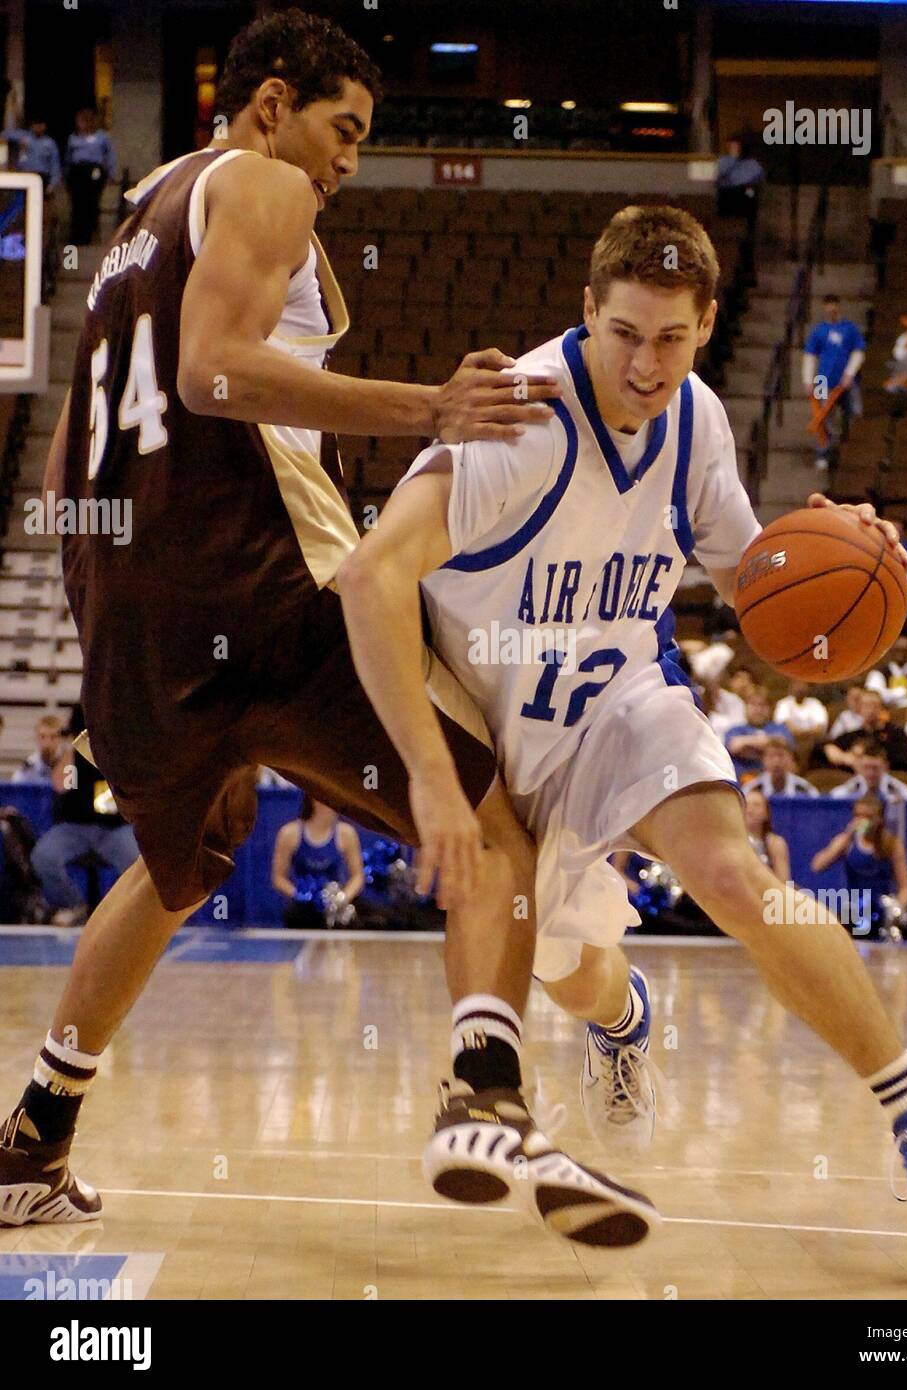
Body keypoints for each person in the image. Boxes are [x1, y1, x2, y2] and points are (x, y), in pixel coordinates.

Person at [0, 11, 654, 1248]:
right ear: (268, 106)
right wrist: (429, 407)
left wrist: (124, 597)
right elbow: (212, 376)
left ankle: (30, 1142)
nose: (347, 161)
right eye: (342, 128)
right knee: (495, 814)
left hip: (131, 612)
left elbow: (59, 469)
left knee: (177, 865)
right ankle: (491, 1087)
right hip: (266, 589)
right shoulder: (261, 182)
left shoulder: (132, 223)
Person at [340, 200, 907, 1238]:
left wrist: (858, 550)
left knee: (738, 876)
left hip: (624, 705)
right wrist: (427, 771)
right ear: (587, 312)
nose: (646, 366)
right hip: (500, 740)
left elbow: (755, 582)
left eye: (671, 338)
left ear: (703, 324)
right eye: (624, 335)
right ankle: (624, 1017)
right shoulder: (520, 419)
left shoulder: (696, 415)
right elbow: (371, 572)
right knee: (576, 973)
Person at [29, 707, 140, 928]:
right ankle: (74, 905)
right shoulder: (73, 755)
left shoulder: (121, 751)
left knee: (139, 865)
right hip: (75, 828)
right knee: (43, 857)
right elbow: (61, 786)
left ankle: (124, 915)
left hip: (114, 829)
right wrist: (71, 746)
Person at [811, 794, 907, 940]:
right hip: (855, 911)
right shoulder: (846, 841)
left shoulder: (892, 845)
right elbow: (817, 865)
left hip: (881, 908)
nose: (862, 821)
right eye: (858, 816)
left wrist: (896, 912)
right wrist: (847, 836)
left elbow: (905, 887)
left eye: (868, 817)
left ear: (879, 819)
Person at [271, 795, 364, 928]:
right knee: (297, 916)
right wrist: (300, 895)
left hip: (335, 907)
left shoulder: (346, 833)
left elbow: (358, 876)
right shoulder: (289, 833)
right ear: (315, 801)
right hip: (303, 911)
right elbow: (278, 878)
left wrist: (342, 898)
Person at [802, 294, 865, 469]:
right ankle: (823, 454)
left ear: (838, 306)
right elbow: (810, 355)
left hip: (846, 381)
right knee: (822, 418)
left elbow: (858, 352)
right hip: (822, 379)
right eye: (827, 305)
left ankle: (853, 452)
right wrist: (808, 380)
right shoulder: (819, 330)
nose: (831, 308)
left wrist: (849, 373)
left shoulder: (849, 328)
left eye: (833, 305)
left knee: (855, 414)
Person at [830, 740, 907, 838]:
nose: (870, 773)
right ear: (860, 766)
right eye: (866, 767)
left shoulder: (899, 790)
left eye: (875, 768)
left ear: (885, 767)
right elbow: (834, 800)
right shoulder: (848, 789)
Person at [64, 107, 119, 246]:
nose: (82, 125)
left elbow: (110, 155)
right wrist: (66, 174)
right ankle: (77, 236)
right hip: (78, 171)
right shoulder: (73, 138)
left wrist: (111, 172)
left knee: (92, 202)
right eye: (80, 122)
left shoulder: (102, 137)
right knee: (77, 203)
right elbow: (68, 158)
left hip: (94, 171)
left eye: (85, 122)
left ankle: (91, 235)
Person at [824, 688, 907, 772]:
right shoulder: (854, 734)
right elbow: (828, 747)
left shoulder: (896, 733)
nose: (870, 710)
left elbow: (904, 762)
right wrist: (847, 758)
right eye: (866, 705)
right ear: (859, 709)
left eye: (874, 706)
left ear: (881, 709)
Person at [724, 686, 794, 778]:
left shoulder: (780, 728)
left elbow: (784, 744)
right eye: (753, 705)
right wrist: (767, 744)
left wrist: (747, 745)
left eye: (763, 705)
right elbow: (735, 746)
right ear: (745, 707)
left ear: (770, 708)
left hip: (775, 781)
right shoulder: (735, 730)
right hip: (743, 779)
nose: (758, 710)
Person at [714, 133, 764, 236]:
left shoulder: (752, 164)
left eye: (735, 146)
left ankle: (748, 234)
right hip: (728, 193)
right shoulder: (724, 161)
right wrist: (733, 159)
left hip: (746, 192)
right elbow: (719, 176)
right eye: (731, 146)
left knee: (750, 193)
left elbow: (757, 178)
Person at [863, 635, 907, 709]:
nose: (901, 654)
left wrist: (892, 699)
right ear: (891, 651)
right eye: (897, 650)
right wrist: (902, 692)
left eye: (905, 651)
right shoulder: (877, 673)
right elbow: (874, 696)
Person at [2, 116, 61, 195]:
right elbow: (5, 134)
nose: (38, 127)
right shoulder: (24, 136)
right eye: (36, 125)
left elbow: (55, 165)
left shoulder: (50, 143)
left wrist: (52, 184)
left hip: (41, 176)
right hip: (24, 174)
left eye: (40, 125)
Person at [744, 736, 818, 798]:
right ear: (763, 760)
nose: (776, 762)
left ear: (791, 759)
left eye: (781, 755)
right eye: (771, 756)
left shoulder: (804, 789)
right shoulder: (752, 789)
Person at [743, 788, 789, 881]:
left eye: (756, 805)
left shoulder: (775, 843)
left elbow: (784, 881)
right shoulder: (734, 842)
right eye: (746, 805)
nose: (750, 809)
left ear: (766, 813)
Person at [11, 713, 65, 784]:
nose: (47, 742)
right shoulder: (30, 765)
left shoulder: (68, 765)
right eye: (42, 737)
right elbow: (15, 788)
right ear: (36, 738)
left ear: (61, 739)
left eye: (53, 737)